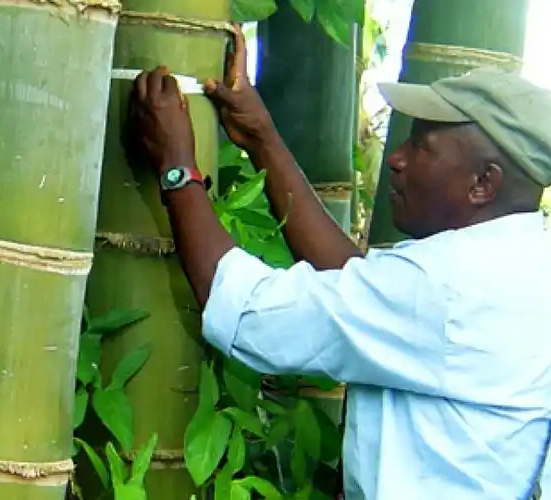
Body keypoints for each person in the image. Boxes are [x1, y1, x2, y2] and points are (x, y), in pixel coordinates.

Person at [128, 24, 551, 500]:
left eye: (422, 146)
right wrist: (262, 138)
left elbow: (247, 310)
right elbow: (357, 284)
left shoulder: (451, 288)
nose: (397, 159)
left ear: (483, 183)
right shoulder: (521, 262)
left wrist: (177, 167)